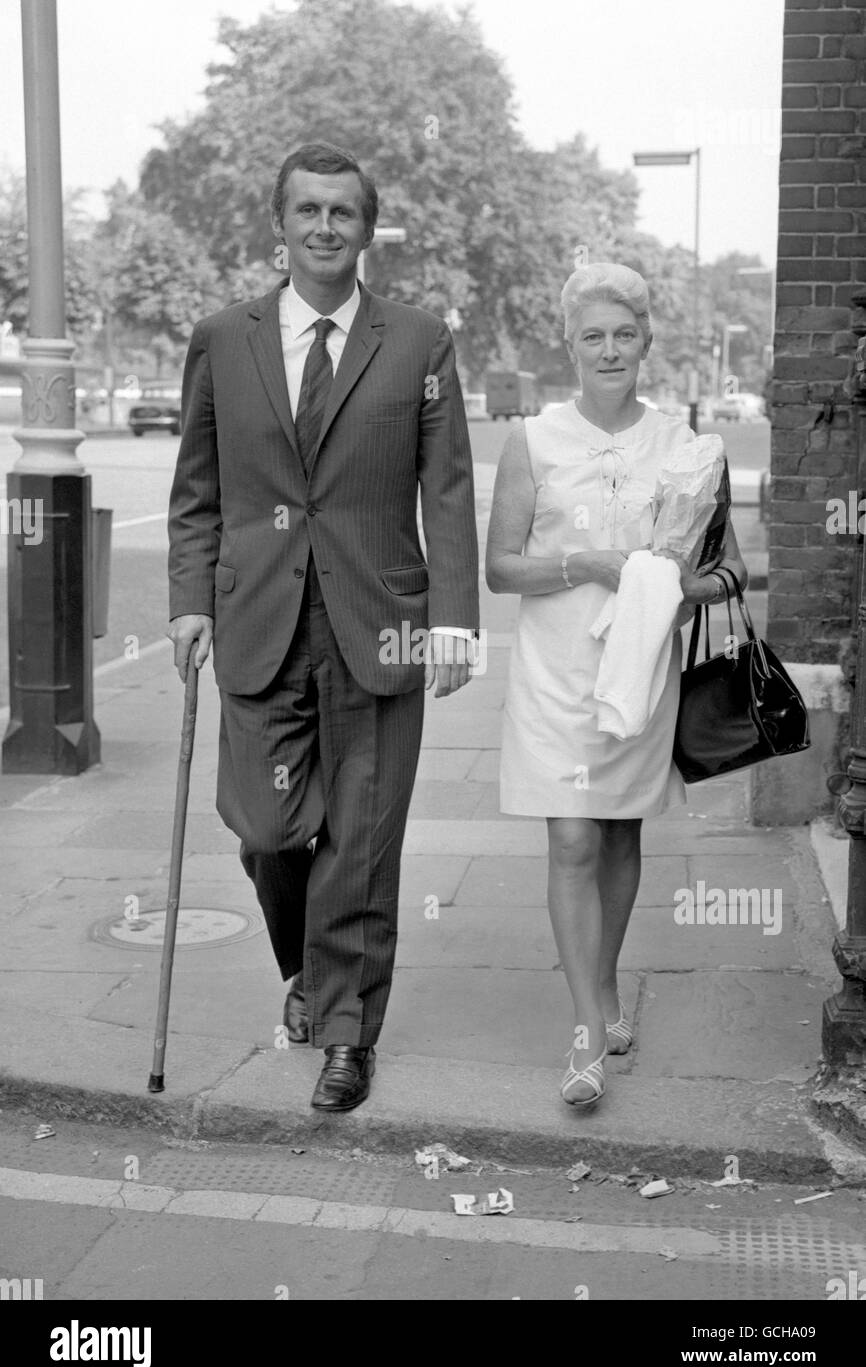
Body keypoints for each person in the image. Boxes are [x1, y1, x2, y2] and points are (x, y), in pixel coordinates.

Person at [167, 142, 479, 1113]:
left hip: (378, 624)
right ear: (281, 223)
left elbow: (447, 489)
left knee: (362, 841)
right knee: (266, 829)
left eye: (343, 211)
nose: (325, 227)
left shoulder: (418, 341)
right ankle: (310, 963)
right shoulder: (223, 340)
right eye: (307, 209)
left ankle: (346, 1029)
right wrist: (187, 600)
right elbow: (196, 490)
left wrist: (455, 623)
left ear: (366, 227)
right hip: (259, 618)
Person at [485, 263, 747, 1108]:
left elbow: (732, 569)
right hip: (554, 673)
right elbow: (500, 568)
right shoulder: (533, 440)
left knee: (621, 838)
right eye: (592, 335)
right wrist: (587, 564)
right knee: (571, 841)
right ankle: (586, 1032)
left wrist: (674, 584)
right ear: (569, 344)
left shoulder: (686, 445)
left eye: (624, 335)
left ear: (646, 343)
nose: (609, 350)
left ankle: (604, 982)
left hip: (638, 672)